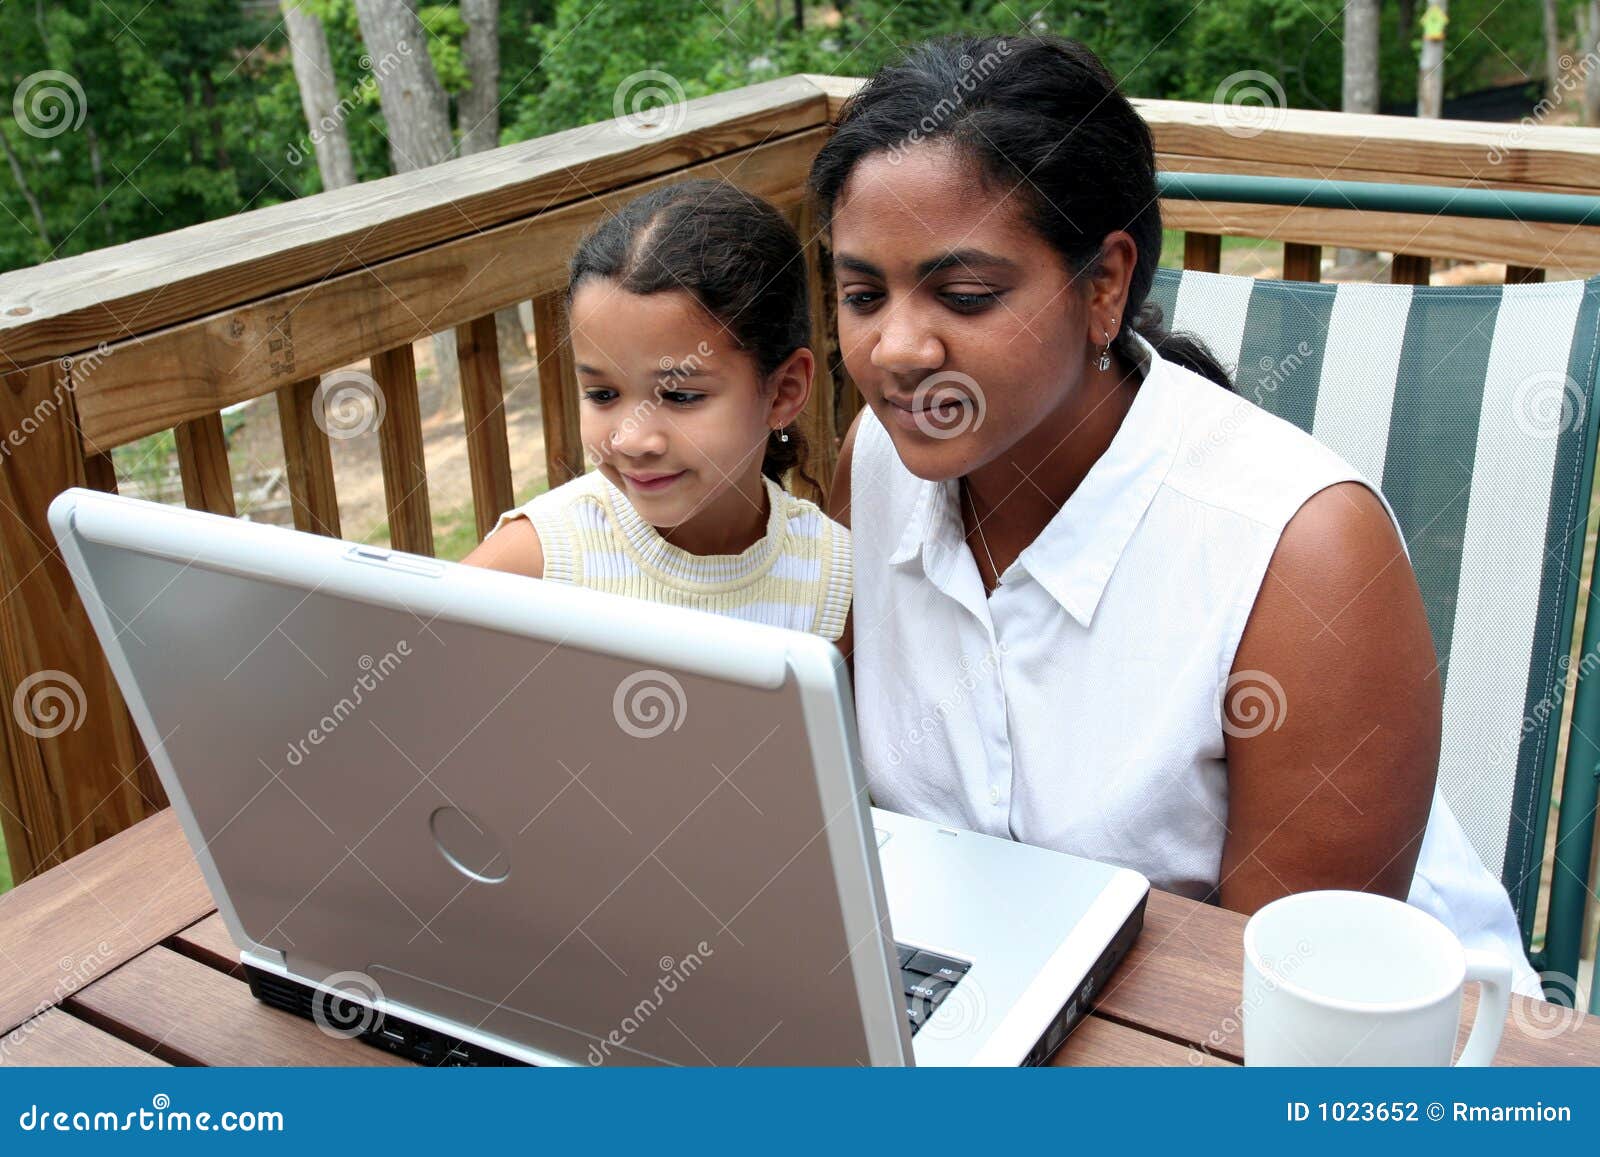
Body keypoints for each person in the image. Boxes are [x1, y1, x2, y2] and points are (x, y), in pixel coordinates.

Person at [812, 34, 1543, 997]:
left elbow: (1282, 1008)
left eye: (966, 295)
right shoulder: (878, 462)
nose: (896, 348)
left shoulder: (1302, 554)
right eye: (863, 294)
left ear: (1104, 285)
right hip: (1001, 1004)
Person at [465, 179, 851, 644]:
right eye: (602, 394)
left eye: (680, 396)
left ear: (784, 392)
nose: (631, 439)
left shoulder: (833, 582)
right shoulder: (540, 561)